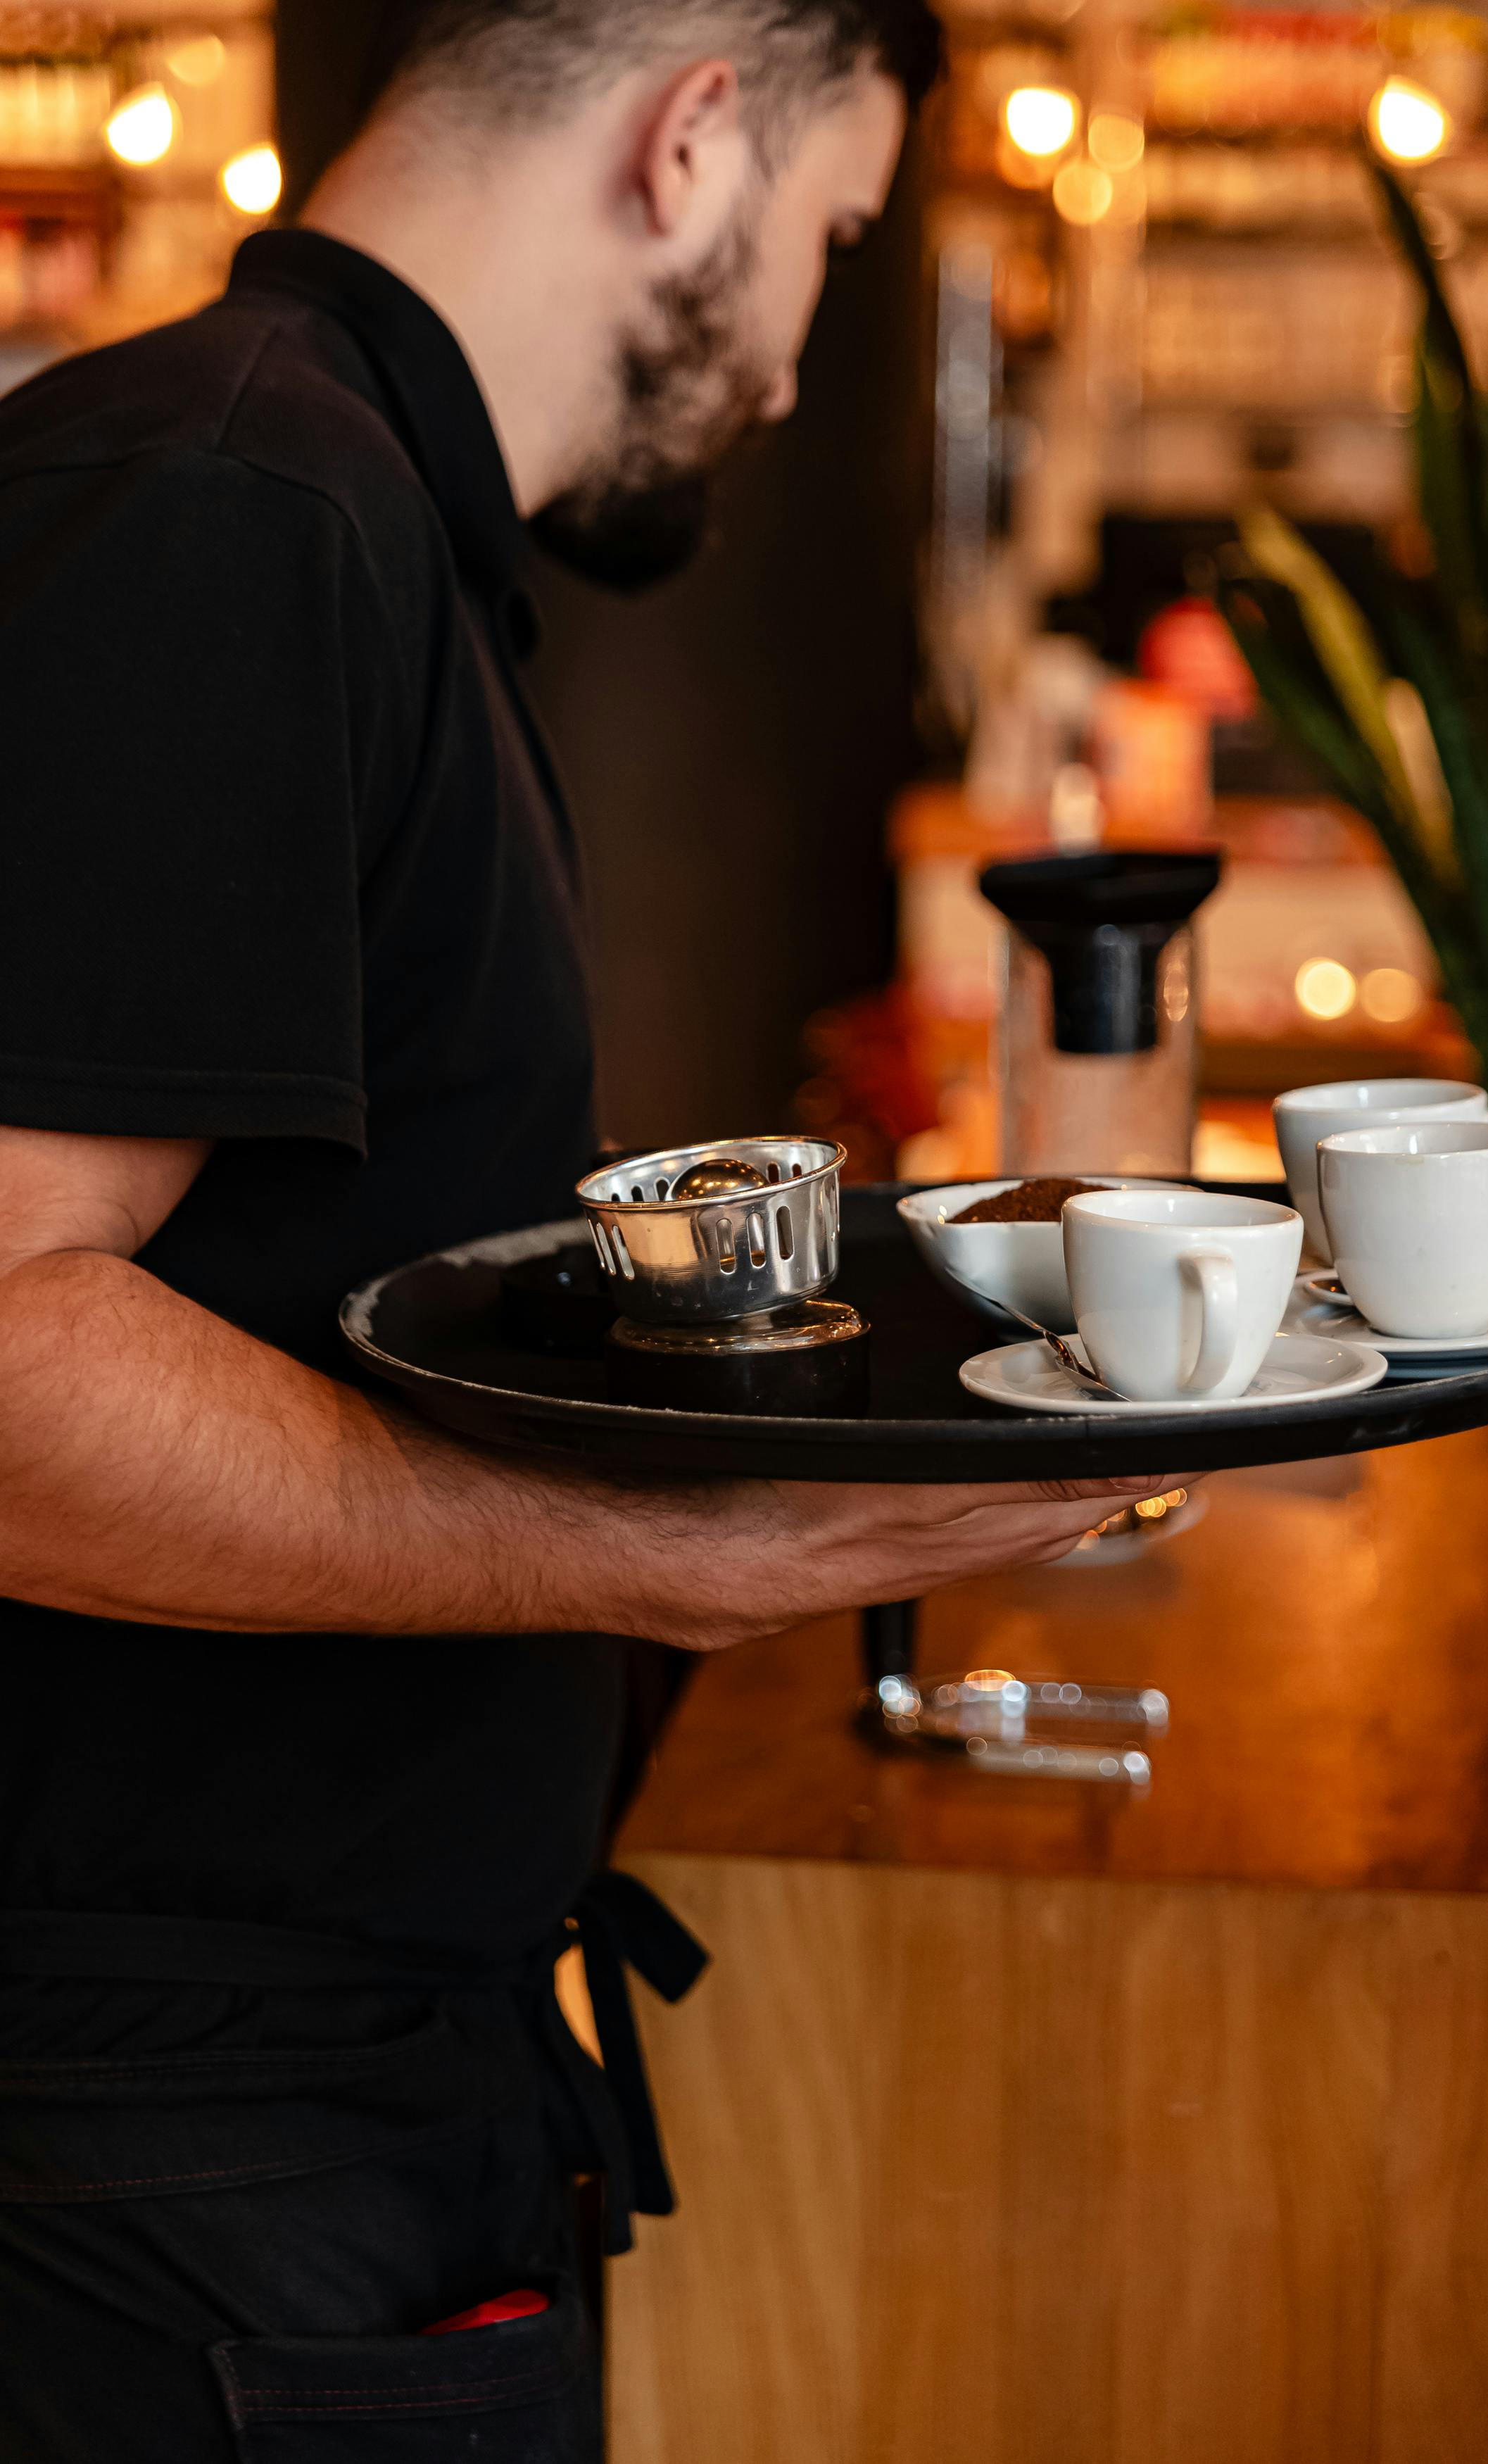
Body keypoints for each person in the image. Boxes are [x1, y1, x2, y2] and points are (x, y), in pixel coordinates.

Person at [0, 3, 1166, 2454]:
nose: (782, 373)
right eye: (836, 239)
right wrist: (651, 1553)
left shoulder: (339, 507)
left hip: (313, 2126)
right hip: (177, 2168)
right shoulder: (237, 501)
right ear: (697, 133)